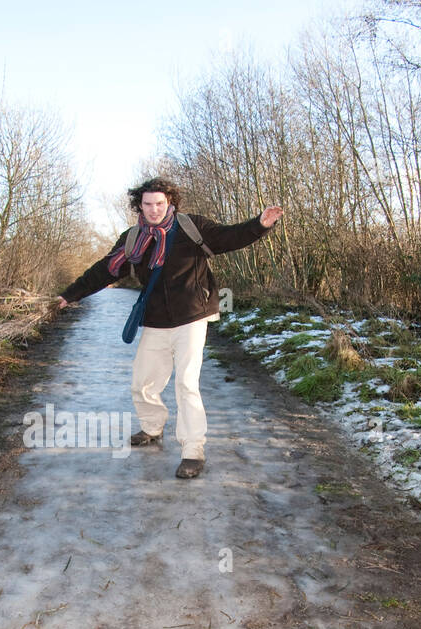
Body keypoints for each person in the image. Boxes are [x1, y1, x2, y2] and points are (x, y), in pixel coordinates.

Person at [57, 177, 282, 478]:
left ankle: (193, 451)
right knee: (142, 382)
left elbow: (230, 237)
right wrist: (68, 295)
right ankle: (152, 427)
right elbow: (102, 271)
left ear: (170, 202)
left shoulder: (191, 227)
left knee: (186, 383)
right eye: (148, 204)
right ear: (140, 205)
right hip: (156, 320)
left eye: (159, 204)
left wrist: (260, 224)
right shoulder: (132, 238)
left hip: (192, 316)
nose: (153, 210)